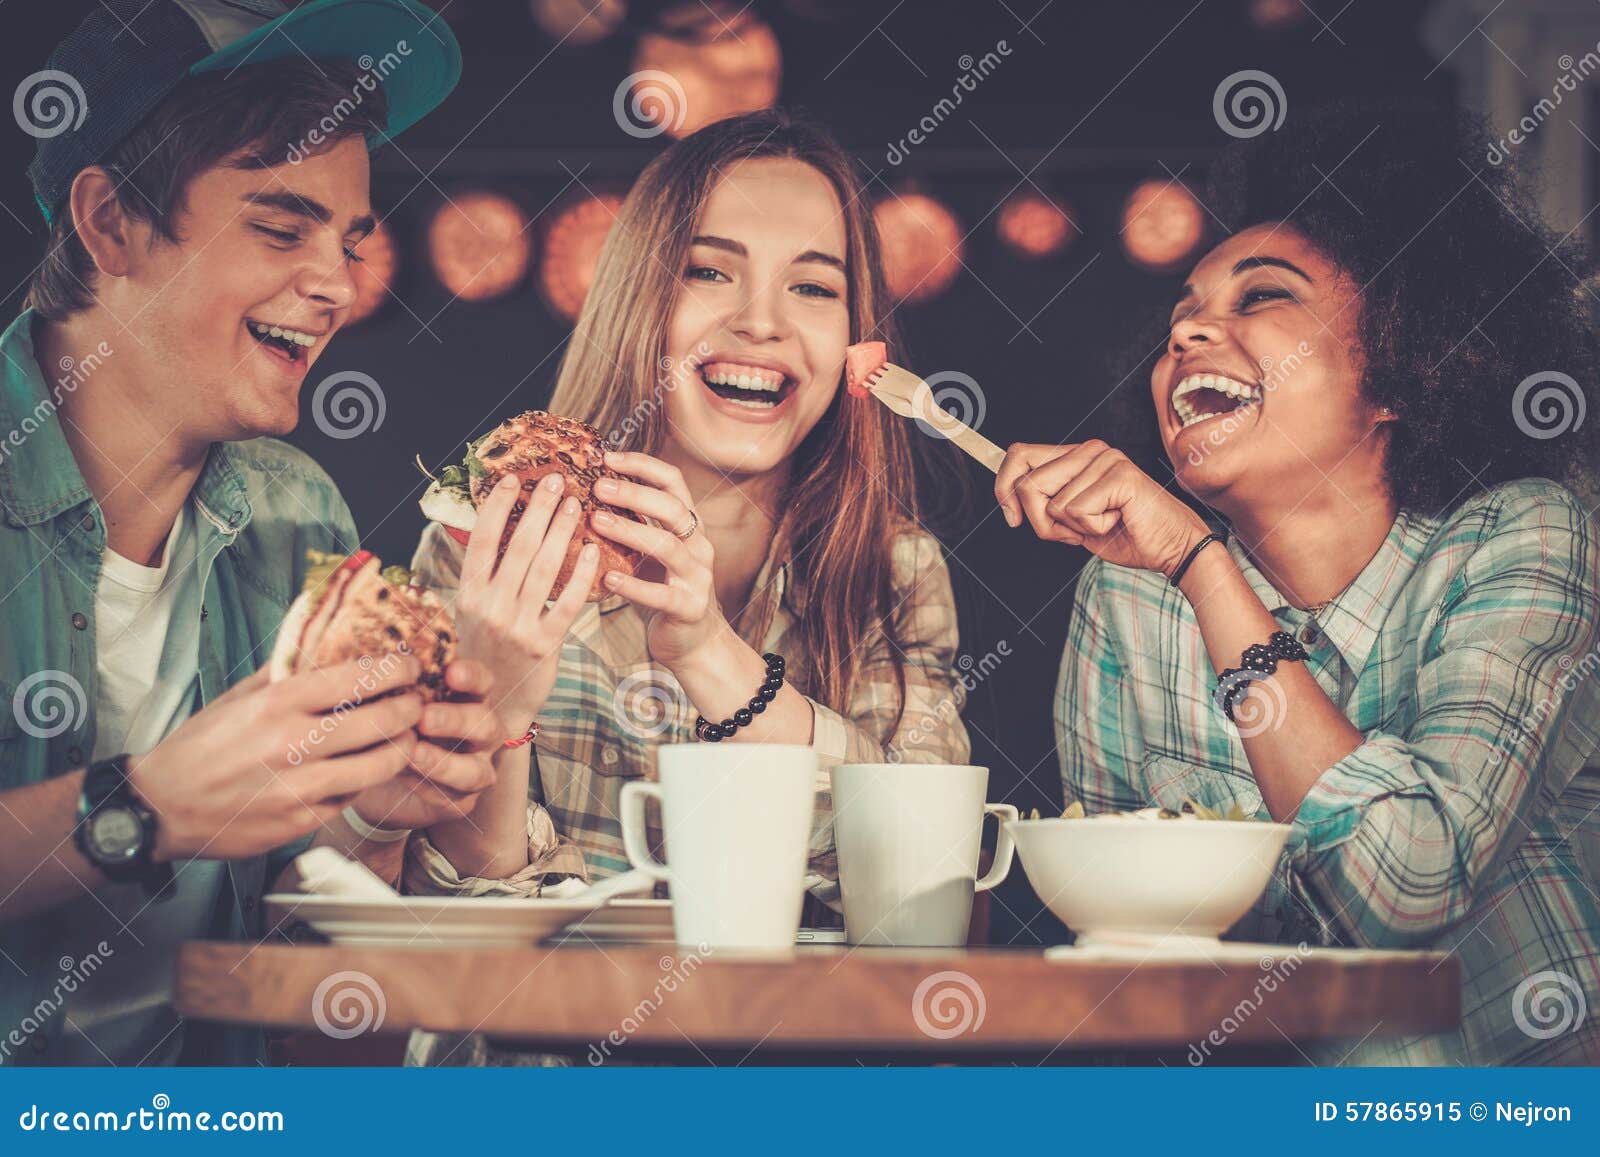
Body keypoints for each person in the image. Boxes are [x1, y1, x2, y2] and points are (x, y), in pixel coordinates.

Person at [998, 101, 1600, 1065]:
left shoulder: (1523, 536)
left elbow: (1405, 889)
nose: (1191, 333)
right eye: (1181, 316)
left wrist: (1203, 568)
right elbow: (1123, 952)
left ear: (1406, 361)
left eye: (1260, 298)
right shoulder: (1128, 597)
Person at [0, 0, 502, 1067]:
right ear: (110, 224)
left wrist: (369, 819)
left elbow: (295, 975)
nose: (335, 284)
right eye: (281, 228)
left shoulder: (296, 512)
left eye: (350, 239)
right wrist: (142, 806)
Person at [400, 109, 972, 923]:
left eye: (813, 287)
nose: (762, 322)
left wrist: (709, 654)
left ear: (855, 345)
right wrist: (497, 712)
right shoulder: (482, 546)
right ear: (637, 299)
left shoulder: (896, 568)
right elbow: (450, 924)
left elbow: (926, 863)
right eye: (708, 271)